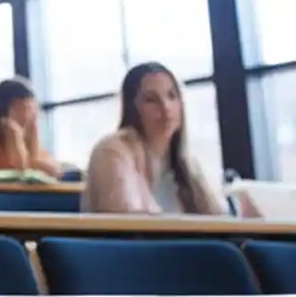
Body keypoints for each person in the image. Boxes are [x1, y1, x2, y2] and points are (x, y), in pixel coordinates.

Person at [81, 62, 224, 215]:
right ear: (132, 108)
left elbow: (221, 221)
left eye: (172, 96)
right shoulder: (112, 151)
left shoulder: (188, 164)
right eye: (151, 100)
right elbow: (127, 220)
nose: (165, 107)